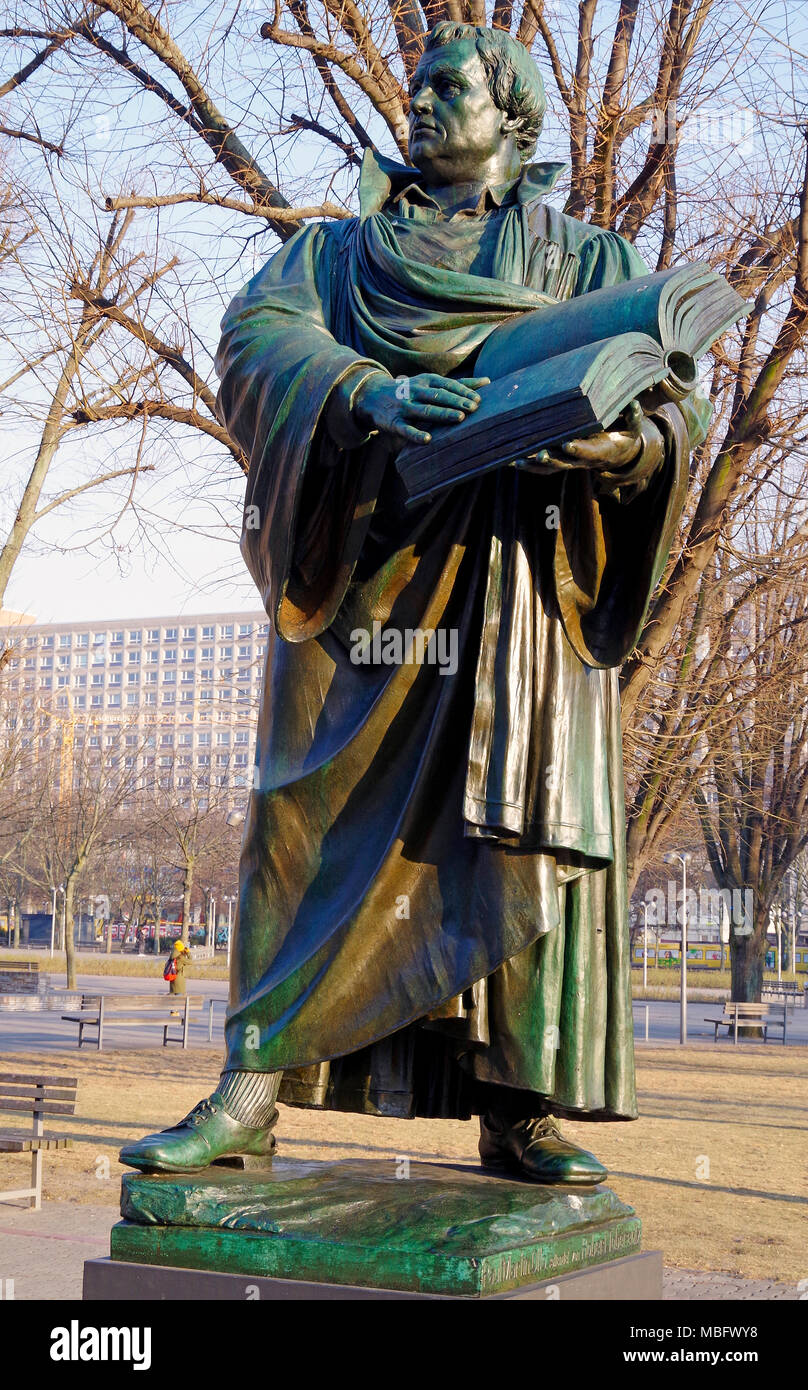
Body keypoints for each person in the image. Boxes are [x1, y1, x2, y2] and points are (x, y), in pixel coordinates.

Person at [121, 23, 710, 1181]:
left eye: (451, 88)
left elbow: (667, 406)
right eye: (419, 85)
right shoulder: (338, 257)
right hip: (366, 586)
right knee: (300, 822)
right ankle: (249, 1088)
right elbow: (256, 336)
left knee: (505, 840)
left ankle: (516, 1101)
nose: (423, 102)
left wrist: (623, 456)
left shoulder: (586, 263)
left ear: (512, 118)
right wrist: (362, 388)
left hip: (517, 590)